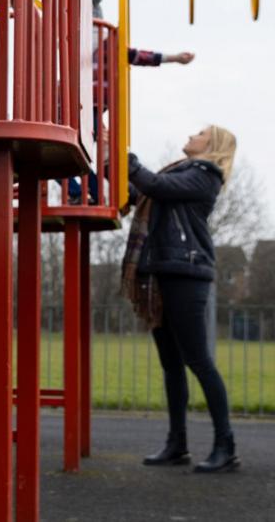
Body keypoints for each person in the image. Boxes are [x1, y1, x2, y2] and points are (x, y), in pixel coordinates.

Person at [121, 125, 239, 474]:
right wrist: (113, 165)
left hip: (187, 272)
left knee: (198, 360)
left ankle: (226, 445)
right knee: (172, 364)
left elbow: (155, 186)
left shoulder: (206, 174)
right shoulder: (179, 173)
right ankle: (178, 444)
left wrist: (126, 158)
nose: (192, 134)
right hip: (161, 270)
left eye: (201, 132)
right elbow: (144, 192)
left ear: (212, 145)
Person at [67, 0, 197, 205]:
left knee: (83, 152)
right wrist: (173, 58)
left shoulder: (99, 37)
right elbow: (137, 55)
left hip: (86, 103)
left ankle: (101, 192)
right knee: (81, 151)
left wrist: (172, 58)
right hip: (84, 103)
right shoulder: (89, 36)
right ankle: (99, 192)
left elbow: (137, 55)